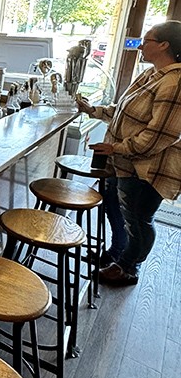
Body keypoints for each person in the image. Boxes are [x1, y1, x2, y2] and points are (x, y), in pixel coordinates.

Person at [77, 20, 181, 286]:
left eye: (146, 40)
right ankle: (115, 254)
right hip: (123, 162)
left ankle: (128, 267)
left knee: (138, 218)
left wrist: (116, 148)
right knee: (117, 206)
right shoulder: (151, 75)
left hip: (146, 168)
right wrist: (94, 111)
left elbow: (160, 136)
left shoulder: (175, 83)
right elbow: (124, 111)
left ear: (164, 45)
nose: (140, 45)